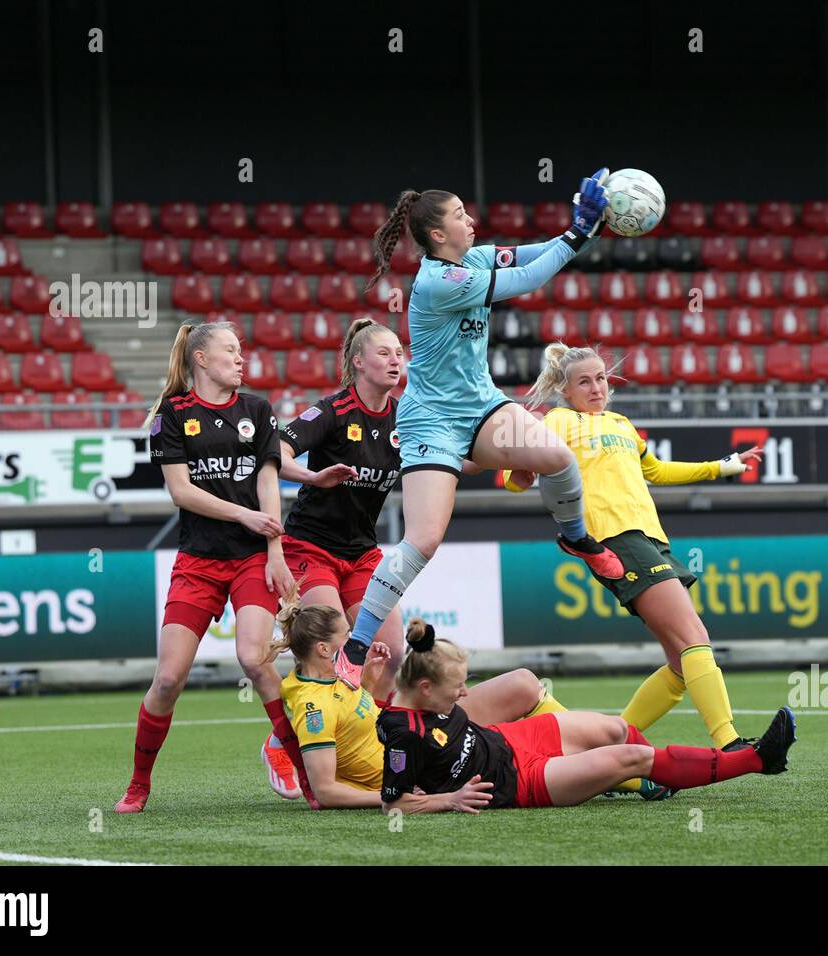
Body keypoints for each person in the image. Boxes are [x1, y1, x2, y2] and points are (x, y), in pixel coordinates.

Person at [333, 171, 627, 688]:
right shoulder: (439, 281)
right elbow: (527, 281)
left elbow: (532, 254)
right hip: (431, 421)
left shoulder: (471, 257)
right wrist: (580, 234)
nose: (472, 221)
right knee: (423, 540)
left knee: (558, 459)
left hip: (482, 406)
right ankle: (356, 646)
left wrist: (586, 228)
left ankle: (576, 538)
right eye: (460, 217)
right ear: (438, 236)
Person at [501, 343, 760, 766]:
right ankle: (730, 742)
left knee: (680, 664)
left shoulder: (620, 423)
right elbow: (515, 479)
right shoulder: (558, 421)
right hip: (613, 537)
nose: (596, 387)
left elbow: (656, 470)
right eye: (584, 381)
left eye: (601, 378)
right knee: (694, 636)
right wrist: (523, 462)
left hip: (650, 537)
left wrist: (723, 465)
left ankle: (603, 745)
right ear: (564, 390)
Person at [114, 320, 309, 813]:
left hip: (251, 559)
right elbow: (180, 491)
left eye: (241, 351)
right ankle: (139, 784)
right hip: (199, 561)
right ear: (200, 359)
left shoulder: (258, 409)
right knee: (167, 679)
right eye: (230, 350)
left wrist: (276, 552)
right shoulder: (173, 414)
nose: (241, 359)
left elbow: (269, 485)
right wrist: (243, 514)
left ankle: (304, 772)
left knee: (254, 660)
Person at [378, 619, 796, 813]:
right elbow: (393, 806)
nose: (467, 693)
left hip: (515, 740)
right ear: (427, 689)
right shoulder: (403, 735)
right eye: (458, 687)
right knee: (627, 759)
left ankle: (656, 781)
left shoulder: (421, 690)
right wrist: (449, 799)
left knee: (616, 729)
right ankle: (757, 760)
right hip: (521, 782)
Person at [255, 317, 408, 798]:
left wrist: (507, 456)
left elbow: (449, 458)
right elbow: (273, 451)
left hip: (361, 551)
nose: (395, 359)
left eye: (399, 352)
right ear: (358, 361)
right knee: (335, 651)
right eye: (383, 352)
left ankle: (359, 748)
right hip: (310, 546)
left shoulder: (406, 416)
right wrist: (313, 477)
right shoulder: (332, 410)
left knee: (393, 651)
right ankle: (281, 745)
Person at [262, 584, 571, 809]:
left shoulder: (333, 676)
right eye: (347, 635)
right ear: (323, 649)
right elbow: (326, 792)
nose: (355, 640)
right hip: (424, 761)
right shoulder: (313, 706)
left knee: (523, 684)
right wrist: (394, 796)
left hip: (421, 732)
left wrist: (370, 677)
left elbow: (356, 723)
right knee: (545, 734)